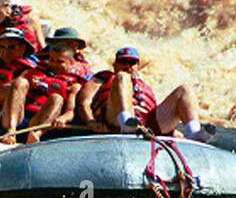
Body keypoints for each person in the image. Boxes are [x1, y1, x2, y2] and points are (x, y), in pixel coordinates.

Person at [77, 46, 209, 140]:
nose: (127, 65)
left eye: (132, 62)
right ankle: (126, 122)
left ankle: (194, 132)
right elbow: (84, 102)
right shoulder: (102, 78)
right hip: (113, 122)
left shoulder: (144, 86)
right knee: (123, 77)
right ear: (114, 64)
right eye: (122, 61)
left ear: (137, 66)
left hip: (147, 126)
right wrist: (91, 121)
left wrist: (171, 131)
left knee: (184, 90)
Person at [0, 29, 59, 144]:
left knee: (24, 85)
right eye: (2, 47)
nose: (5, 52)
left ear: (22, 49)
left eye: (11, 48)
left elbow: (2, 97)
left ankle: (14, 132)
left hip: (2, 118)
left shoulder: (29, 72)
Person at [26, 34, 93, 134]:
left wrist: (63, 118)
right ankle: (10, 129)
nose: (54, 64)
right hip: (28, 116)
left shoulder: (75, 84)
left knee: (56, 98)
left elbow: (70, 111)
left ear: (71, 63)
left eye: (60, 62)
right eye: (52, 60)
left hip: (50, 123)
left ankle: (37, 134)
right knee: (20, 83)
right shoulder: (38, 72)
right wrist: (29, 85)